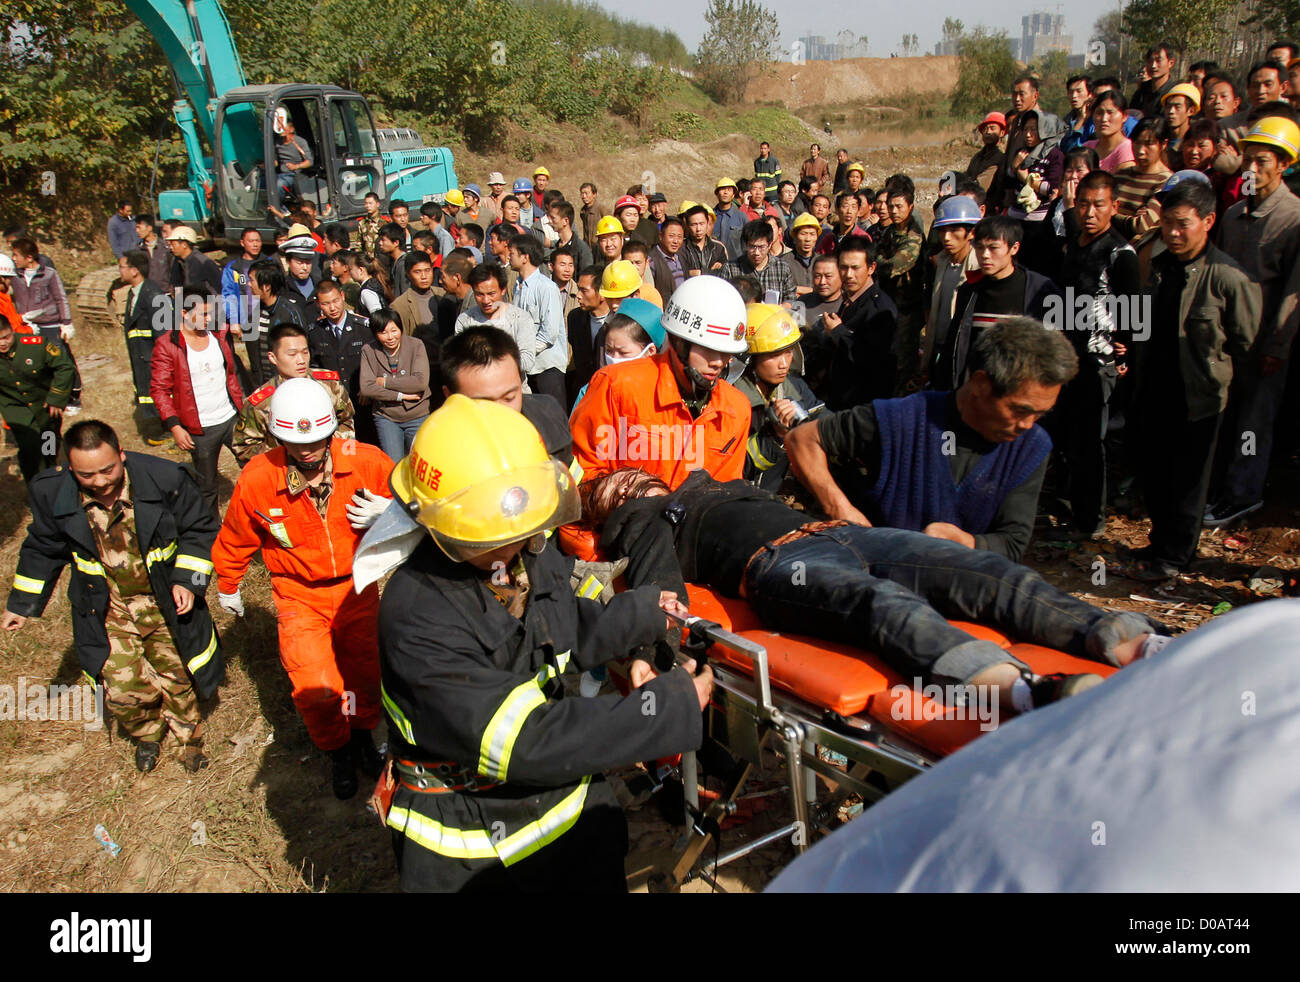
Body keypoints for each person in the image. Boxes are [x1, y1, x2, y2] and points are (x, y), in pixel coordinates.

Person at [376, 394, 708, 892]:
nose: (527, 538)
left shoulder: (519, 551)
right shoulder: (418, 615)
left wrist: (641, 616)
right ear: (450, 523)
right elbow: (524, 740)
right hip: (473, 846)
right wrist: (667, 707)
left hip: (568, 814)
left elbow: (560, 626)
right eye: (502, 530)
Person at [587, 467, 1165, 721]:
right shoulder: (645, 516)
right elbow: (657, 583)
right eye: (623, 484)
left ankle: (1126, 639)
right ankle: (1024, 690)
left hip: (843, 534)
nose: (635, 479)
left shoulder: (712, 483)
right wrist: (657, 650)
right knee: (880, 607)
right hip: (781, 565)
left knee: (979, 571)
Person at [3, 420, 224, 773]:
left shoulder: (165, 479)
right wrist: (21, 605)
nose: (101, 482)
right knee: (121, 686)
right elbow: (43, 548)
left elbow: (201, 530)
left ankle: (189, 739)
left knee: (177, 676)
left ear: (121, 454)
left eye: (108, 470)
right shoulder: (51, 492)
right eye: (87, 475)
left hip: (162, 601)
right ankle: (147, 734)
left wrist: (188, 581)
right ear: (70, 467)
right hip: (105, 608)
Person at [214, 378, 392, 798]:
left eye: (317, 440)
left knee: (364, 673)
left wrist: (392, 511)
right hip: (298, 594)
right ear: (277, 436)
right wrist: (228, 581)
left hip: (357, 586)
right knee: (314, 686)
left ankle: (364, 737)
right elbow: (237, 534)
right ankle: (338, 751)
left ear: (332, 431)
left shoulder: (364, 462)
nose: (308, 450)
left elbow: (414, 498)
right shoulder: (260, 478)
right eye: (297, 442)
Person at [788, 318, 1077, 561]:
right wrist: (842, 510)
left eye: (1040, 414)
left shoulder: (1031, 448)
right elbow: (802, 440)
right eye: (1020, 410)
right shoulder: (902, 419)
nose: (1027, 425)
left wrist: (966, 542)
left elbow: (1012, 543)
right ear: (980, 384)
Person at [1128, 181, 1261, 580]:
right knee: (1156, 472)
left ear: (1208, 221)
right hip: (1156, 387)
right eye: (1167, 223)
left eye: (1182, 224)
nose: (1172, 232)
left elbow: (1245, 341)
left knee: (1188, 480)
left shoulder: (1228, 277)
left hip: (1199, 396)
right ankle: (1158, 542)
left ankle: (1175, 556)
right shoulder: (1161, 266)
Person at [570, 276, 752, 489]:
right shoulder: (617, 386)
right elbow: (581, 474)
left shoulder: (735, 410)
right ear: (678, 341)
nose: (718, 362)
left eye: (726, 352)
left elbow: (727, 492)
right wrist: (627, 494)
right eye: (709, 350)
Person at [1206, 118, 1300, 527]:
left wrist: (1278, 346)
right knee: (1226, 416)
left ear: (1283, 165)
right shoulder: (1233, 216)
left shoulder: (1294, 219)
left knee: (1253, 424)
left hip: (1266, 343)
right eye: (1248, 160)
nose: (1252, 169)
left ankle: (1243, 495)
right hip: (1228, 337)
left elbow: (1295, 291)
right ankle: (1219, 488)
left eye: (1262, 161)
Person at [1049, 170, 1140, 540]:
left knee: (1090, 442)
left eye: (1098, 205)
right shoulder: (1076, 244)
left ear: (1113, 207)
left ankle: (1090, 520)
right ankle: (1068, 503)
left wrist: (1126, 349)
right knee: (1066, 434)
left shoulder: (1121, 253)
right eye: (1083, 204)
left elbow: (1134, 311)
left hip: (1097, 360)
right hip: (1067, 356)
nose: (1089, 212)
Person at [932, 217, 1060, 392]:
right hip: (977, 395)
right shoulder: (969, 292)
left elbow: (1057, 351)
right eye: (979, 247)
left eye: (993, 248)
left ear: (1014, 248)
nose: (985, 255)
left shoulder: (1041, 291)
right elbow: (953, 348)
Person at [149, 283, 244, 518]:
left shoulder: (218, 336)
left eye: (209, 312)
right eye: (202, 314)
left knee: (256, 466)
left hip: (231, 417)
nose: (207, 318)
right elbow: (159, 389)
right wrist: (175, 426)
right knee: (207, 487)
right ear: (183, 313)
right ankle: (212, 532)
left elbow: (232, 374)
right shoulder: (168, 345)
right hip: (200, 429)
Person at [232, 322, 355, 465]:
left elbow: (346, 419)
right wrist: (286, 456)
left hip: (331, 464)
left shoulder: (329, 384)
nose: (301, 360)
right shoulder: (260, 403)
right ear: (272, 357)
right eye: (292, 354)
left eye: (305, 352)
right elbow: (243, 448)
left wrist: (337, 454)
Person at [734, 303, 821, 492]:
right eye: (774, 355)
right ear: (749, 358)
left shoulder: (792, 386)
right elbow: (736, 467)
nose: (784, 364)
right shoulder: (733, 401)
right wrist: (775, 436)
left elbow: (822, 417)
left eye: (788, 352)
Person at [818, 237, 899, 410]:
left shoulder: (880, 310)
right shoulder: (850, 299)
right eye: (843, 267)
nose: (848, 275)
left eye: (855, 268)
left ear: (871, 268)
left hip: (861, 407)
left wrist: (838, 332)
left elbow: (872, 361)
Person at [0, 319, 75, 480]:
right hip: (16, 410)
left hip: (45, 406)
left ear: (12, 331)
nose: (2, 343)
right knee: (30, 448)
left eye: (6, 337)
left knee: (49, 444)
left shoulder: (35, 345)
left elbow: (64, 367)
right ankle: (38, 484)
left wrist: (56, 398)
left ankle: (51, 470)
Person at [358, 309, 431, 460]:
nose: (390, 337)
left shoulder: (416, 345)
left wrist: (384, 382)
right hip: (386, 416)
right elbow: (366, 387)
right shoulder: (368, 350)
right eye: (383, 333)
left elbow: (420, 382)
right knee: (393, 464)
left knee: (420, 462)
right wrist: (400, 395)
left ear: (401, 329)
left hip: (417, 414)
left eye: (394, 330)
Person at [876, 183, 927, 392]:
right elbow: (877, 254)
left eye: (899, 206)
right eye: (891, 206)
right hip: (890, 302)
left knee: (903, 360)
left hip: (907, 307)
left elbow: (892, 266)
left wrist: (879, 261)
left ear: (911, 207)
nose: (893, 211)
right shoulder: (890, 231)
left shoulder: (913, 236)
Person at [118, 249, 171, 445]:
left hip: (152, 358)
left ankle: (160, 429)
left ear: (134, 270)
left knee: (156, 392)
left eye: (122, 267)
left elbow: (164, 334)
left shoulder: (152, 294)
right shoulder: (135, 293)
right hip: (141, 356)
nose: (120, 272)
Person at [925, 195, 982, 378]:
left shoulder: (978, 269)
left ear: (971, 232)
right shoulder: (942, 262)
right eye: (942, 231)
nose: (946, 237)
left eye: (954, 230)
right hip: (940, 349)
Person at [508, 233, 568, 405]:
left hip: (547, 367)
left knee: (553, 420)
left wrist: (525, 353)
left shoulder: (546, 287)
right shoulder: (518, 286)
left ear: (525, 257)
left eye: (512, 253)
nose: (509, 257)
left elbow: (550, 332)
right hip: (528, 368)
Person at [307, 279, 371, 425]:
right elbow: (314, 366)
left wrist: (368, 387)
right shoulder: (314, 332)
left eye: (335, 301)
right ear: (318, 304)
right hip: (332, 403)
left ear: (342, 296)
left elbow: (375, 362)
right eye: (326, 304)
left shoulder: (363, 328)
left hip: (362, 399)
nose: (332, 307)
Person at [454, 265, 538, 377]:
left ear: (503, 290)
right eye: (479, 294)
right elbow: (460, 360)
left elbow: (527, 361)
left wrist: (489, 362)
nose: (486, 300)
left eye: (491, 294)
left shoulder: (520, 318)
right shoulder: (465, 320)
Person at [246, 258, 310, 388]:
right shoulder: (255, 313)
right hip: (263, 385)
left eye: (252, 280)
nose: (248, 284)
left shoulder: (290, 313)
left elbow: (302, 351)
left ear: (266, 286)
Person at [721, 220, 796, 305]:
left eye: (761, 247)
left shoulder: (782, 268)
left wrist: (782, 308)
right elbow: (722, 298)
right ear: (746, 244)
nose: (756, 252)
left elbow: (791, 299)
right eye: (752, 247)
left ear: (770, 245)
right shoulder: (730, 269)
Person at [221, 227, 264, 348]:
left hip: (268, 317)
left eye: (258, 241)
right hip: (248, 319)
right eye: (251, 241)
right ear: (242, 243)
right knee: (255, 359)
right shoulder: (233, 268)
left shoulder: (269, 264)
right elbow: (228, 295)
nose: (255, 244)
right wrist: (234, 320)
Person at [1086, 90, 1137, 174]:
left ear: (1124, 116)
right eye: (1099, 113)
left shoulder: (1127, 150)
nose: (1104, 119)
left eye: (1110, 113)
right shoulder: (1088, 147)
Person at [164, 226, 222, 295]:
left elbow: (219, 287)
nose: (171, 248)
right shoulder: (177, 261)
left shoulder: (203, 262)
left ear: (184, 245)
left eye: (174, 244)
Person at [1130, 42, 1180, 119]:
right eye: (1150, 61)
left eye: (1158, 61)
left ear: (1171, 63)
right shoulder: (1142, 91)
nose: (1153, 66)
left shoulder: (1175, 92)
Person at [680, 204, 727, 277]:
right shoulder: (681, 249)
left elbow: (725, 273)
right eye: (694, 225)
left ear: (707, 223)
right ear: (688, 226)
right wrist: (710, 271)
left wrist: (698, 272)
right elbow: (679, 273)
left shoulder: (718, 248)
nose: (698, 229)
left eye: (702, 224)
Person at [966, 113, 1007, 190]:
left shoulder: (1000, 158)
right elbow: (967, 175)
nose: (988, 132)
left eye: (992, 128)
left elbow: (979, 187)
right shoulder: (978, 156)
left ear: (1002, 133)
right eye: (985, 129)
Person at [712, 177, 747, 259]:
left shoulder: (741, 217)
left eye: (729, 190)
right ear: (717, 193)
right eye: (722, 189)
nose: (725, 192)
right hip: (713, 265)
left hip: (736, 265)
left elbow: (747, 244)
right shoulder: (709, 217)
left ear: (734, 194)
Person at [1060, 75, 1095, 154]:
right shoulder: (1067, 120)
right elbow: (1064, 148)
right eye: (1070, 92)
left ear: (1090, 95)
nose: (1074, 96)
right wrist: (1081, 120)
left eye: (1079, 91)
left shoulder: (1095, 121)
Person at [578, 182, 609, 248]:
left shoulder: (602, 209)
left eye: (586, 193)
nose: (584, 196)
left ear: (594, 194)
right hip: (588, 247)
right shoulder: (583, 211)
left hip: (600, 247)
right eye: (582, 193)